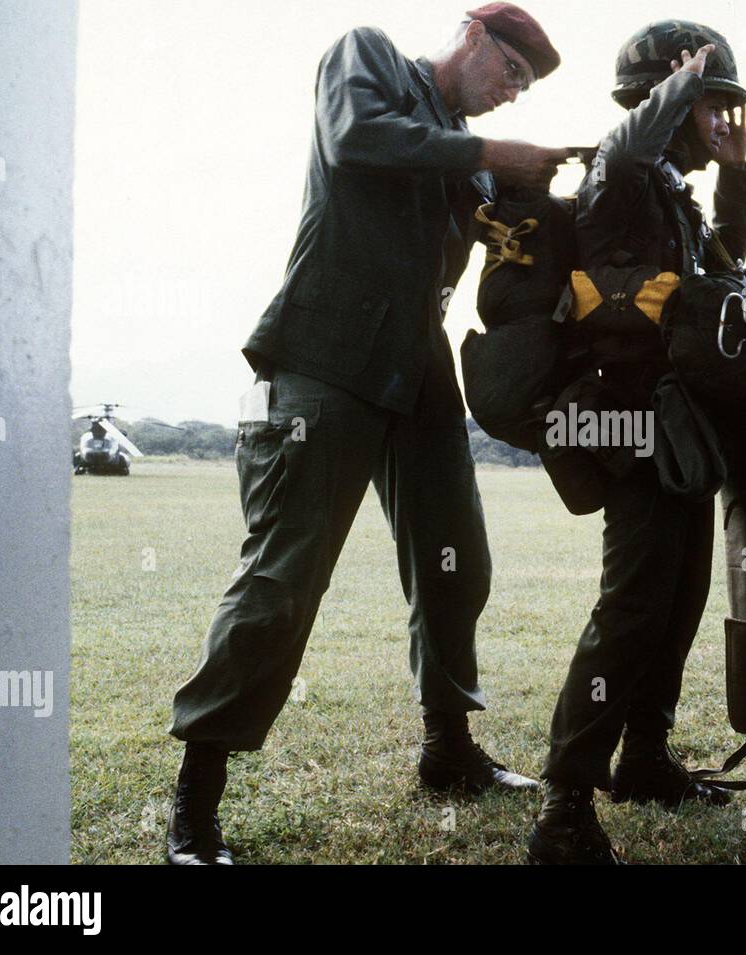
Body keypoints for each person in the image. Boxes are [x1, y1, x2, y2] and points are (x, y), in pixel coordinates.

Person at [165, 3, 570, 865]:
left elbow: (511, 232)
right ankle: (194, 809)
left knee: (456, 561)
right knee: (282, 580)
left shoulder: (470, 154)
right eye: (511, 74)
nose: (510, 97)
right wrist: (489, 155)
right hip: (326, 354)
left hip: (420, 370)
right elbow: (358, 137)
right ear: (474, 37)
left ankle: (449, 750)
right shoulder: (371, 60)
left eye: (523, 90)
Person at [526, 21, 746, 865]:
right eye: (714, 105)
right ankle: (563, 806)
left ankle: (647, 757)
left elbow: (726, 270)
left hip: (677, 425)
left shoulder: (671, 193)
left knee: (678, 597)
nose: (724, 120)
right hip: (626, 424)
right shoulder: (621, 176)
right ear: (676, 100)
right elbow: (628, 148)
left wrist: (735, 179)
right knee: (630, 607)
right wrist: (680, 86)